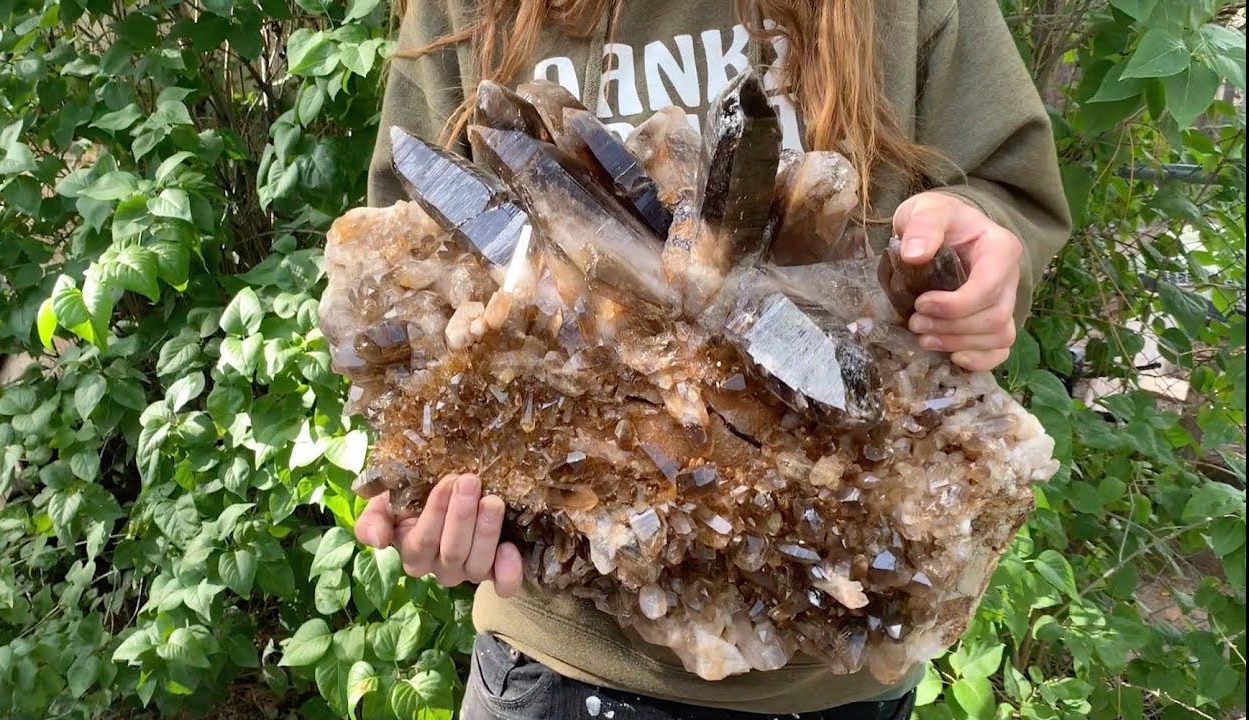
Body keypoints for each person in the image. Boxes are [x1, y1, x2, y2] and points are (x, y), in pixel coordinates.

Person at [357, 1, 1072, 718]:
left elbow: (1007, 189)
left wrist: (984, 249)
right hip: (562, 672)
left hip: (844, 672)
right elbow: (404, 278)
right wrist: (427, 494)